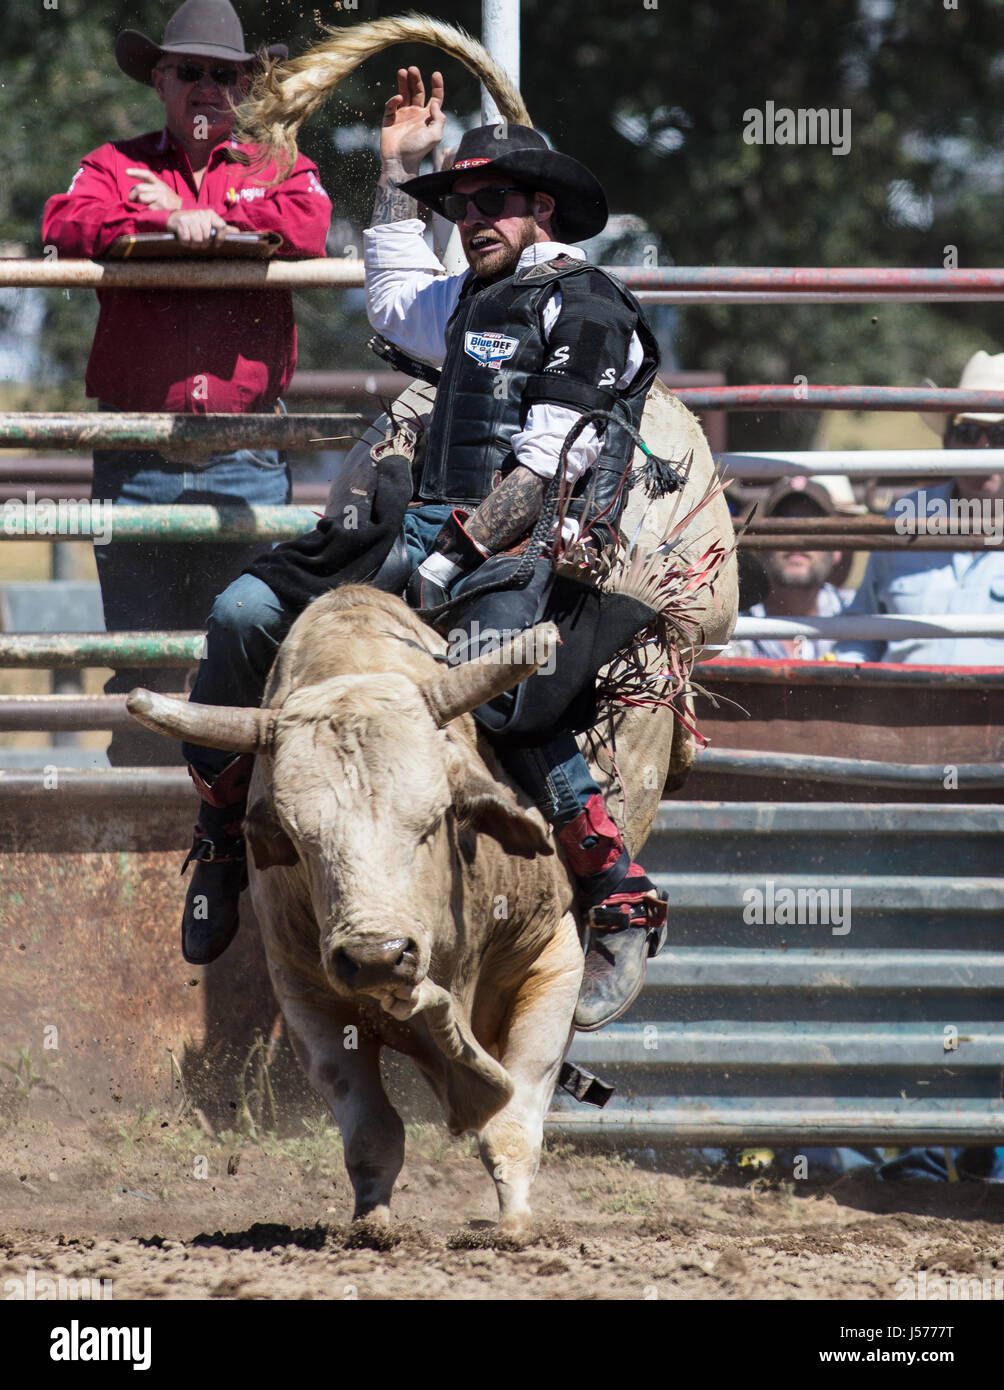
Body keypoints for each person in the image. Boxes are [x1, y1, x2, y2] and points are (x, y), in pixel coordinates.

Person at [175, 67, 667, 1034]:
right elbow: (395, 296)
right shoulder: (473, 297)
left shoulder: (591, 306)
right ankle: (228, 828)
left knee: (501, 682)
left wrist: (453, 558)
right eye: (459, 202)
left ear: (541, 208)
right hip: (417, 529)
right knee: (241, 615)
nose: (471, 216)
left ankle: (617, 891)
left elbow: (550, 457)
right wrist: (397, 172)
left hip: (523, 544)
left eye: (490, 202)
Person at [41, 0, 331, 765]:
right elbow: (64, 222)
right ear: (160, 81)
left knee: (243, 658)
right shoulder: (114, 164)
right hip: (137, 453)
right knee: (144, 668)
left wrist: (210, 215)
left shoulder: (277, 167)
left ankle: (233, 858)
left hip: (247, 454)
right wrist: (167, 224)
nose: (209, 88)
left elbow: (308, 225)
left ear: (244, 87)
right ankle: (144, 841)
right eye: (191, 72)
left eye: (225, 75)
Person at [834, 351, 1004, 667]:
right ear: (949, 441)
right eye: (968, 433)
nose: (983, 449)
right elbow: (861, 631)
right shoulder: (907, 515)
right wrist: (843, 679)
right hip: (898, 706)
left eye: (999, 434)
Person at [729, 477, 851, 660]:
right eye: (783, 528)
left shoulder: (856, 611)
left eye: (811, 529)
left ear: (836, 550)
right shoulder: (729, 624)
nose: (796, 541)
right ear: (761, 546)